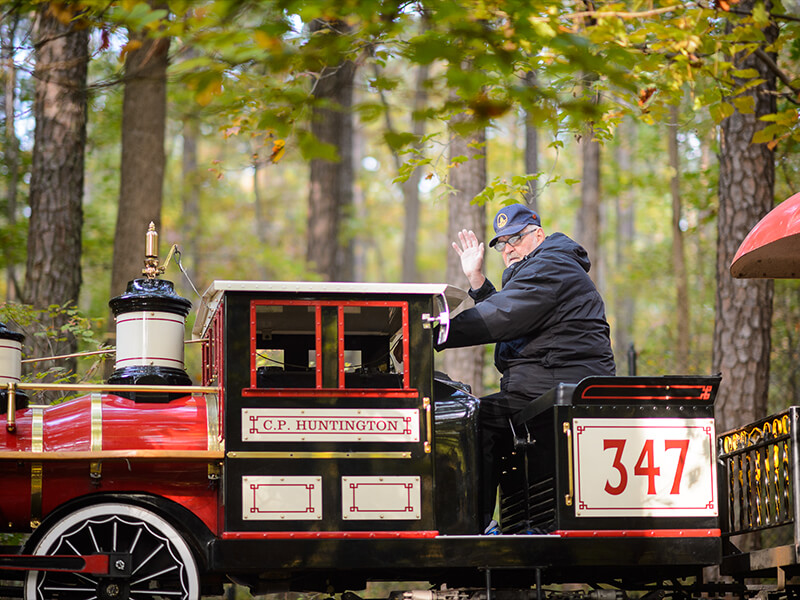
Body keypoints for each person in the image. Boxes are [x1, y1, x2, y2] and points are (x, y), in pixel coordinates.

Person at [436, 203, 615, 532]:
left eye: (516, 238)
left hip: (560, 392)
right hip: (546, 388)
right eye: (502, 244)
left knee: (471, 420)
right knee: (475, 411)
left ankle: (471, 532)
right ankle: (494, 527)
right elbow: (513, 315)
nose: (509, 249)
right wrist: (477, 281)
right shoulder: (544, 272)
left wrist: (433, 331)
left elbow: (503, 316)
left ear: (539, 235)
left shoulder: (553, 266)